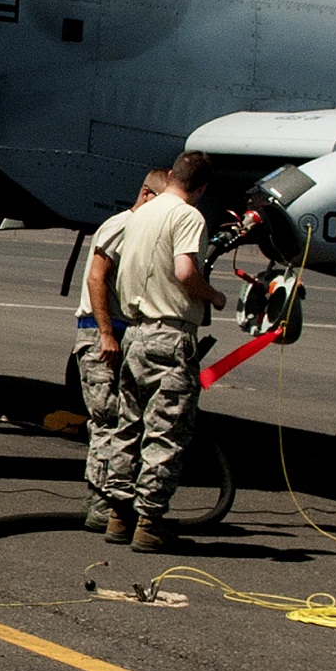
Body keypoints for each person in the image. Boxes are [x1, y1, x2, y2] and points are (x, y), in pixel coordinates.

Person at [97, 150, 222, 550]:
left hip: (135, 333)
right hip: (170, 334)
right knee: (165, 432)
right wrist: (214, 296)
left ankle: (118, 514)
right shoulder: (188, 216)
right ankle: (149, 522)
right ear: (200, 188)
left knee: (128, 425)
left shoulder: (141, 214)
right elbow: (185, 271)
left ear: (170, 175)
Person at [71, 172, 169, 533]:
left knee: (122, 421)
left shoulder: (143, 228)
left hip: (121, 334)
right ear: (146, 193)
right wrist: (108, 335)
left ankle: (111, 501)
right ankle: (100, 502)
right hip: (102, 334)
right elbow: (98, 277)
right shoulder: (123, 225)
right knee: (108, 421)